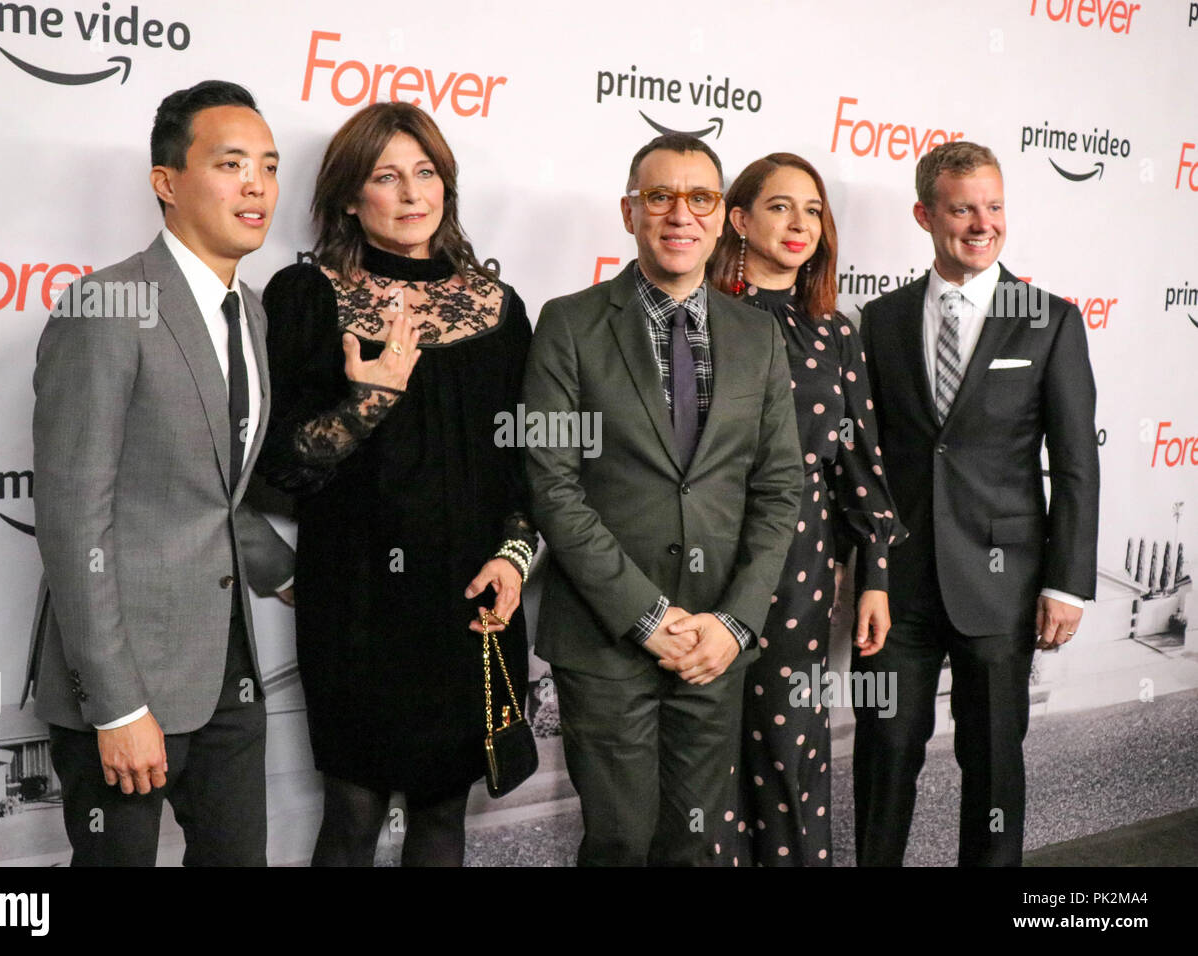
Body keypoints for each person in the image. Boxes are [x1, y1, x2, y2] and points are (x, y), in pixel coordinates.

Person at [257, 102, 534, 867]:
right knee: (352, 812)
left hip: (470, 595)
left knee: (446, 814)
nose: (413, 193)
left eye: (426, 173)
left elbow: (527, 461)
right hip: (355, 601)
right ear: (350, 197)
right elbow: (281, 465)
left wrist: (514, 557)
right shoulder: (304, 295)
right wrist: (371, 399)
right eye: (387, 176)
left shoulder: (499, 307)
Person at [27, 80, 296, 866]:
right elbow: (75, 518)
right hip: (128, 683)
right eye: (232, 163)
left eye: (270, 167)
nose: (257, 185)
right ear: (167, 182)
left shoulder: (251, 313)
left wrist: (296, 575)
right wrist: (116, 707)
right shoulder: (106, 307)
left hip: (230, 678)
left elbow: (219, 491)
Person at [521, 133, 803, 866]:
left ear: (723, 217)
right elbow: (552, 483)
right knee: (619, 839)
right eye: (660, 196)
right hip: (607, 639)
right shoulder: (567, 324)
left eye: (700, 197)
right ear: (629, 211)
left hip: (714, 643)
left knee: (697, 843)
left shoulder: (758, 336)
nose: (681, 214)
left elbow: (779, 489)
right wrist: (645, 618)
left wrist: (736, 623)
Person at [853, 141, 1099, 866]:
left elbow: (1077, 462)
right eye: (963, 208)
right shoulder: (883, 319)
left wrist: (1065, 582)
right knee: (885, 755)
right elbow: (870, 461)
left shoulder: (1049, 319)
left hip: (1005, 583)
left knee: (992, 763)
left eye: (994, 206)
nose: (982, 223)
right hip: (898, 589)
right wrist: (869, 568)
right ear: (926, 213)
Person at [706, 153, 903, 866]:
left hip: (802, 566)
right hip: (705, 556)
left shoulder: (835, 331)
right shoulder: (697, 316)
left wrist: (875, 573)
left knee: (791, 749)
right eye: (781, 206)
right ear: (738, 219)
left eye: (813, 210)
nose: (800, 223)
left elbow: (860, 466)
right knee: (708, 754)